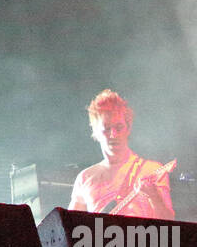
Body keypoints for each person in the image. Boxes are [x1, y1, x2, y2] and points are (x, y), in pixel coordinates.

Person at [68, 89, 175, 219]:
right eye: (106, 129)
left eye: (119, 128)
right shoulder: (85, 178)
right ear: (95, 131)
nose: (113, 135)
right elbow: (70, 228)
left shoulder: (151, 170)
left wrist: (154, 196)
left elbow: (169, 223)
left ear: (128, 128)